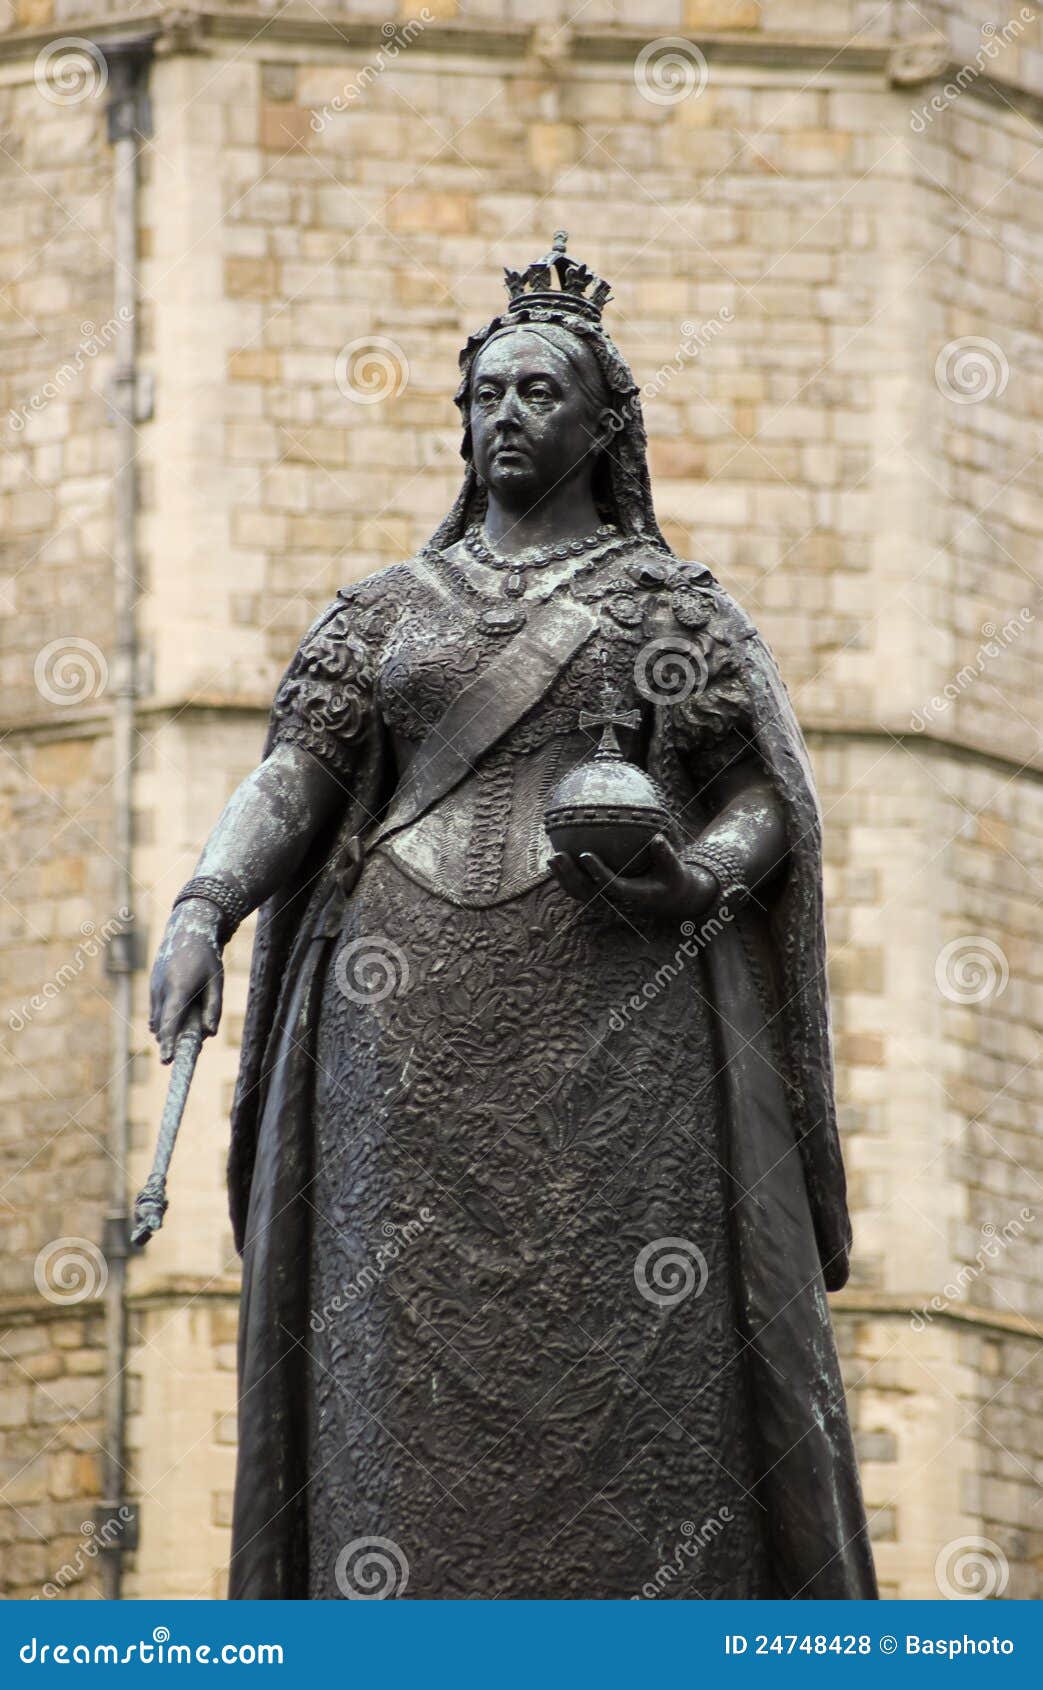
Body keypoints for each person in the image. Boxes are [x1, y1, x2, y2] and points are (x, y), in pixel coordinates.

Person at [150, 234, 877, 1600]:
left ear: (603, 424)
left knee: (633, 1350)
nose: (507, 417)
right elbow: (296, 776)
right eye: (487, 395)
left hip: (619, 1029)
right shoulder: (380, 614)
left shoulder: (665, 604)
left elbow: (754, 796)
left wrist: (697, 879)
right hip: (395, 1029)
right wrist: (207, 903)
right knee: (387, 1363)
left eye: (539, 393)